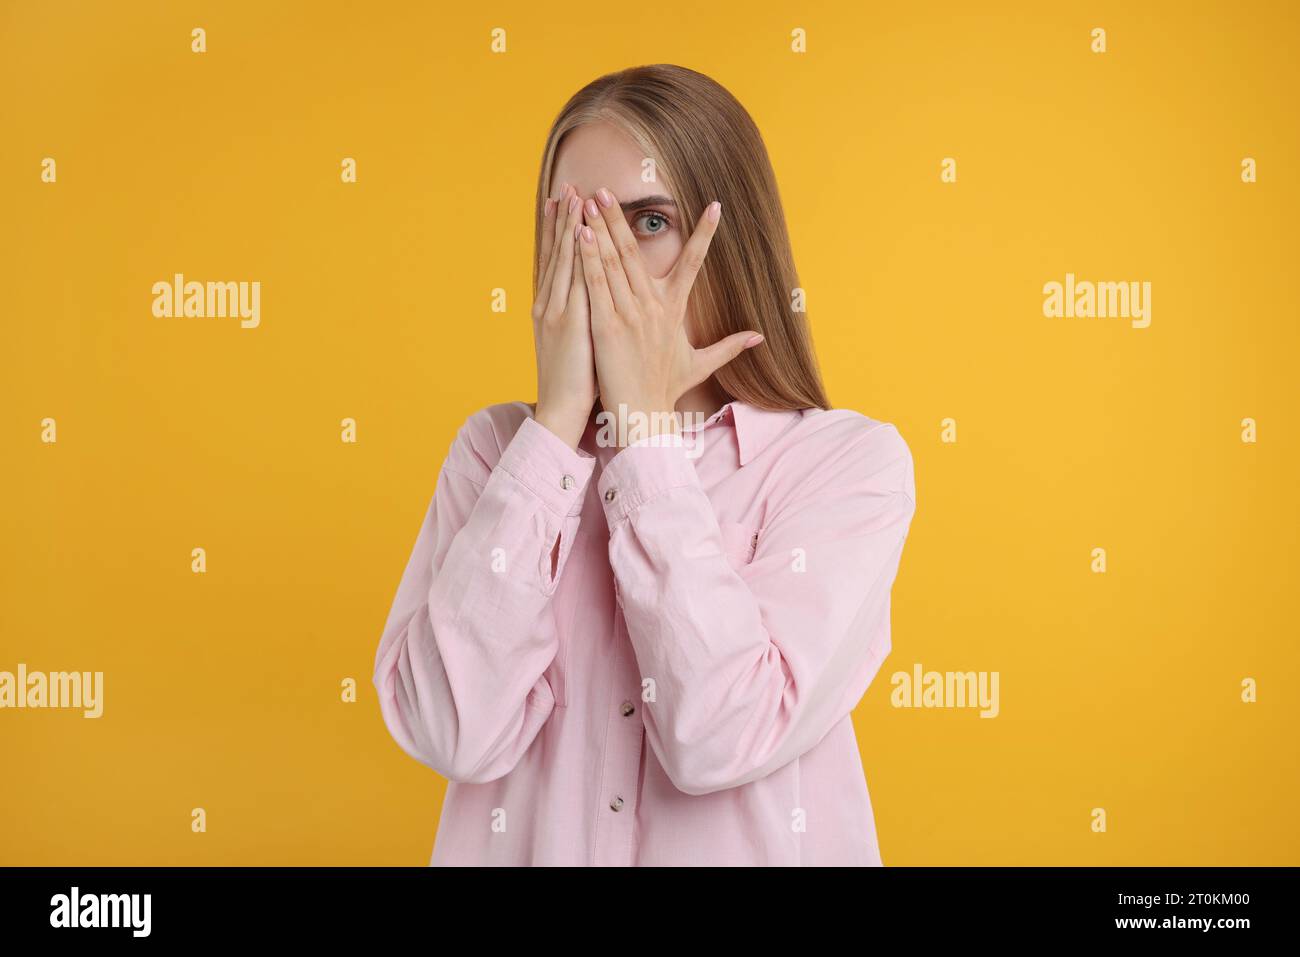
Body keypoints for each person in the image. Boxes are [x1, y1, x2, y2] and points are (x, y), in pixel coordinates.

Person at [373, 63, 917, 866]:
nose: (604, 262)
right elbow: (452, 730)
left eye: (649, 221)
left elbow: (720, 736)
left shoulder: (847, 465)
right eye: (576, 226)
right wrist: (556, 427)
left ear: (728, 244)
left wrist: (643, 437)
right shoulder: (495, 454)